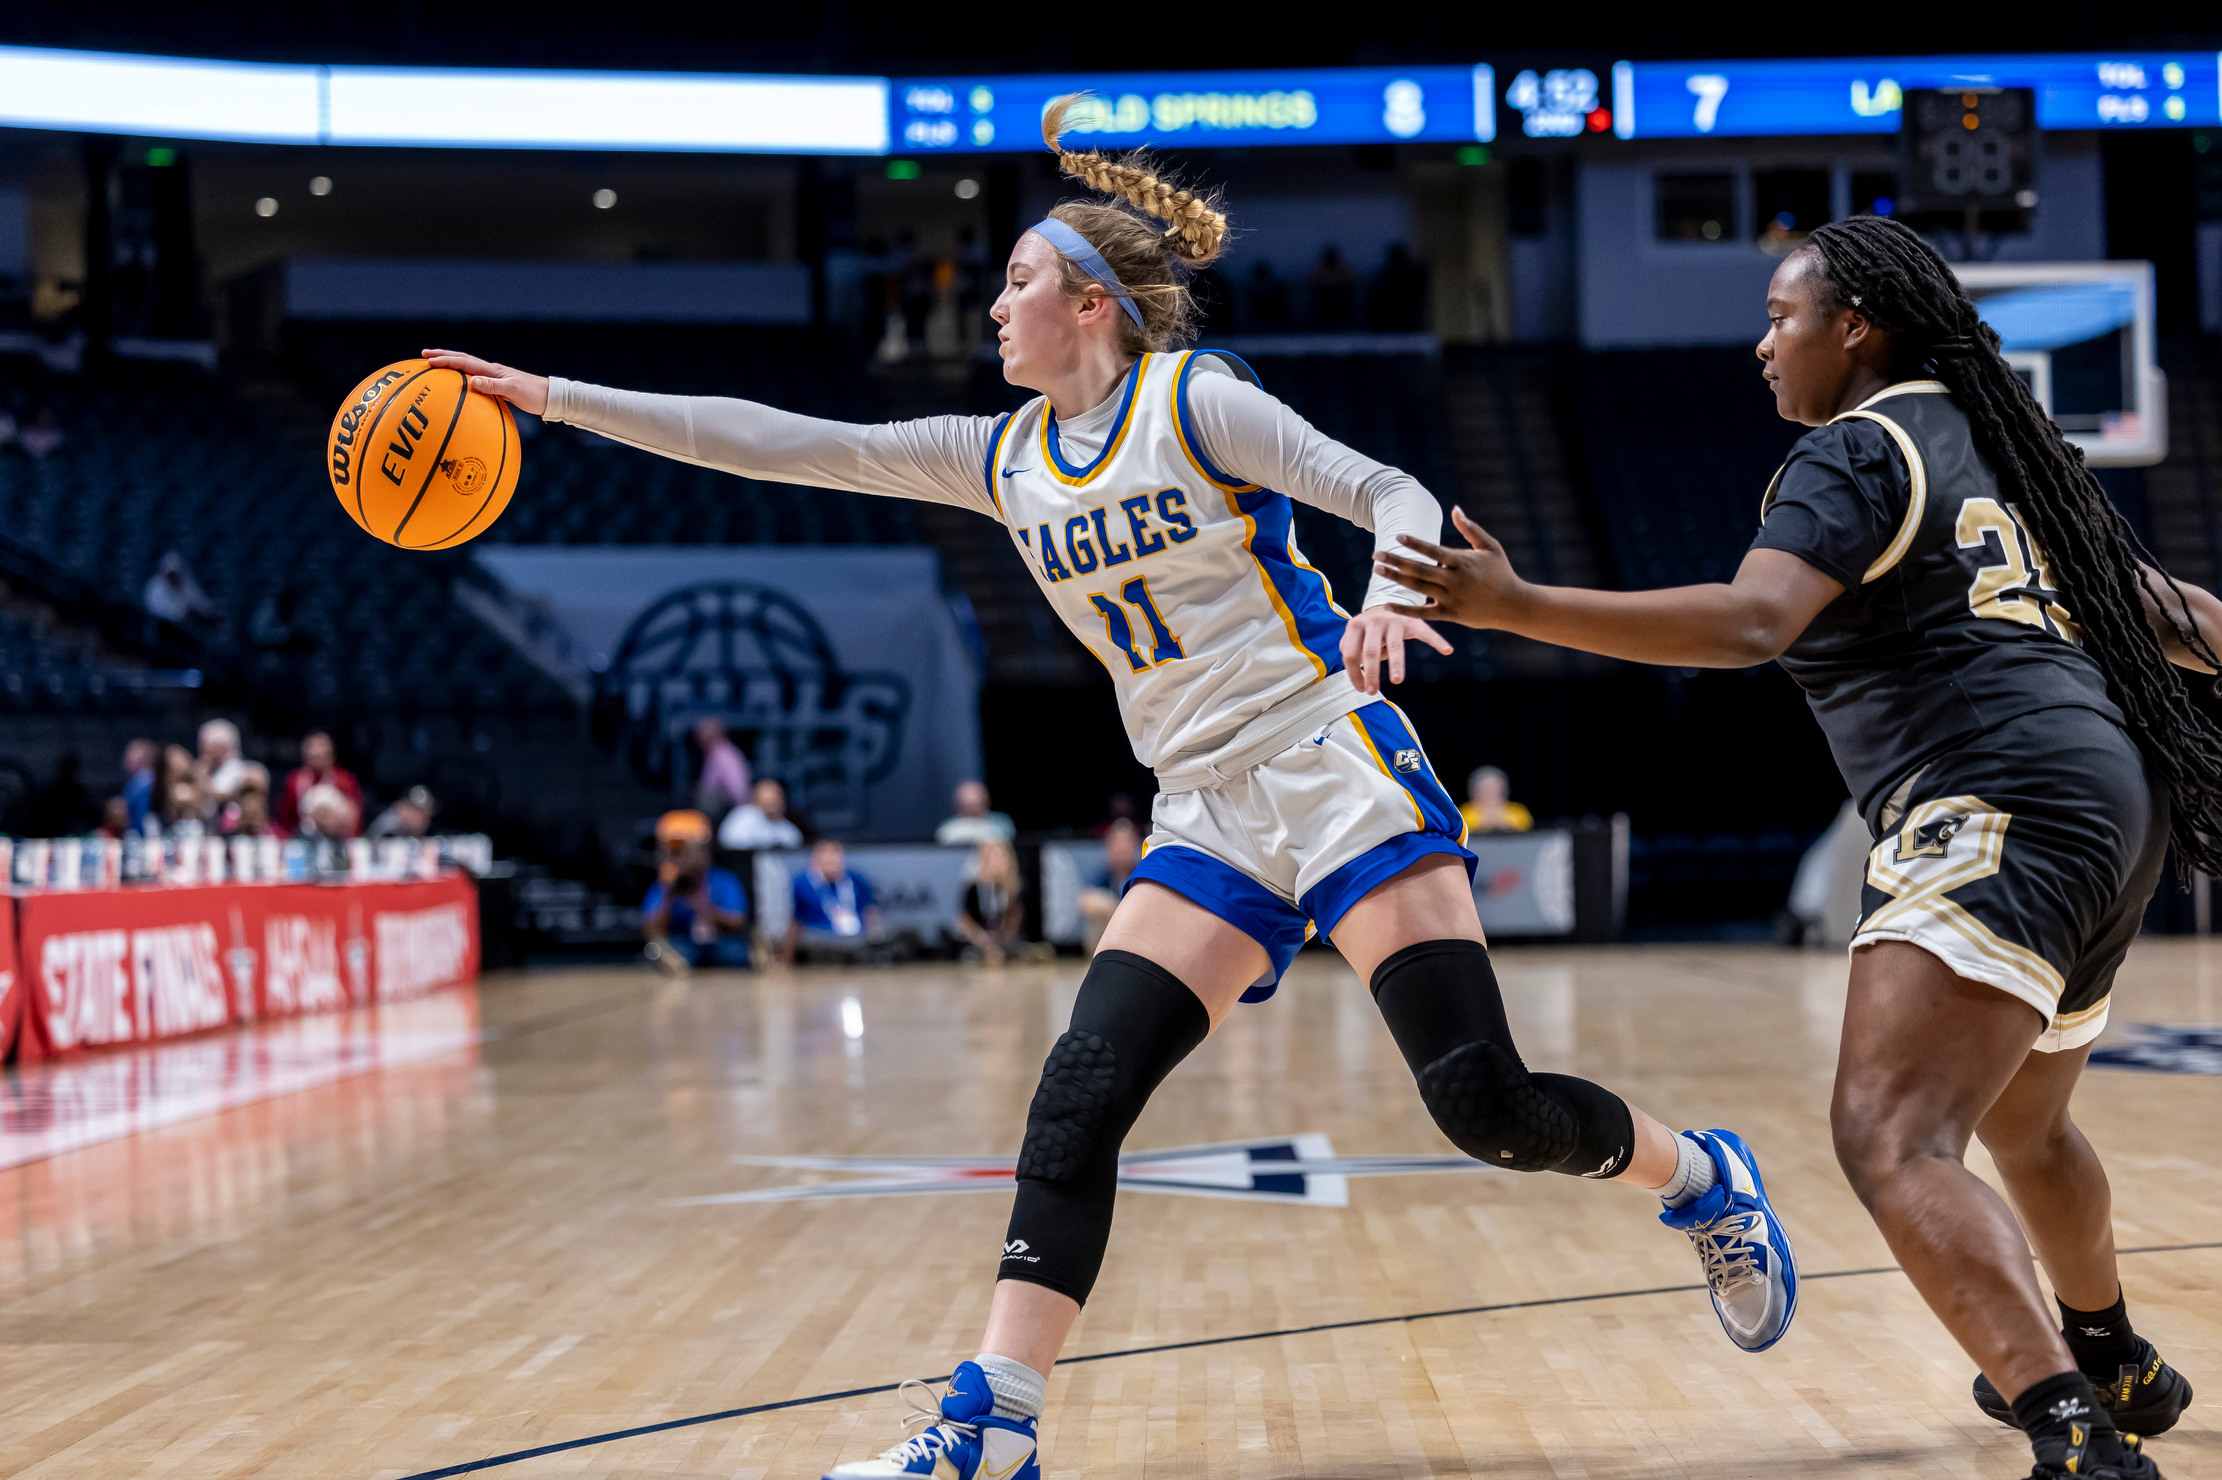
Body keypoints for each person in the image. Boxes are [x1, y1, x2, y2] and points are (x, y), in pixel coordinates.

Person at [422, 96, 1794, 1480]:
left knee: (1481, 1105)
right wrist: (549, 401)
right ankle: (992, 1425)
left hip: (1325, 758)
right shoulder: (1001, 459)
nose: (993, 308)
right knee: (1078, 1093)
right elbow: (774, 437)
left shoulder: (1191, 402)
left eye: (1015, 283)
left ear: (1087, 302)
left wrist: (1385, 595)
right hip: (1201, 810)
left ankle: (1697, 1176)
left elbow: (1384, 489)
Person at [1376, 214, 2211, 1480]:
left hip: (1988, 792)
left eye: (1781, 316)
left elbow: (1753, 621)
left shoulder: (1855, 449)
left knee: (1889, 1135)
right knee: (2025, 1125)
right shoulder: (2013, 448)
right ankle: (2110, 1355)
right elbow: (2169, 613)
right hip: (2112, 800)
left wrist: (1518, 603)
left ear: (1853, 326)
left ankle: (2072, 1433)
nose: (1759, 342)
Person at [642, 810, 751, 973]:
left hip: (718, 944)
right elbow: (651, 931)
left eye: (687, 850)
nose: (682, 857)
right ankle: (674, 962)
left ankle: (755, 955)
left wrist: (704, 908)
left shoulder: (722, 879)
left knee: (737, 952)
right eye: (676, 852)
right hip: (685, 944)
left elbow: (738, 920)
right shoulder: (664, 885)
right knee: (668, 949)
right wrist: (668, 892)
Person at [783, 839, 881, 964]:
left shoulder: (856, 879)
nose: (831, 861)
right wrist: (786, 960)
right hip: (820, 945)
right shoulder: (801, 883)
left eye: (835, 855)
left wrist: (877, 944)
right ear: (815, 859)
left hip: (854, 943)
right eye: (825, 857)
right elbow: (794, 922)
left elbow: (870, 913)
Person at [277, 731, 362, 838]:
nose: (317, 755)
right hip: (301, 841)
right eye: (313, 753)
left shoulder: (345, 781)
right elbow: (285, 820)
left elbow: (355, 820)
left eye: (321, 753)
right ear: (305, 756)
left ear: (331, 754)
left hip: (338, 840)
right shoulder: (294, 781)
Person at [1077, 816, 1140, 954]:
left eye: (1125, 847)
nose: (1121, 852)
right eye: (1117, 846)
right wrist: (1115, 908)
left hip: (1137, 934)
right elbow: (1084, 901)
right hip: (1111, 932)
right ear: (1109, 847)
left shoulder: (1141, 874)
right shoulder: (1102, 874)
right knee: (1096, 915)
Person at [957, 839, 1027, 965]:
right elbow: (965, 921)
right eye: (989, 857)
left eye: (998, 857)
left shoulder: (1016, 889)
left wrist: (1001, 941)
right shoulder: (974, 889)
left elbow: (1017, 921)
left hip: (1009, 945)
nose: (994, 863)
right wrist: (982, 939)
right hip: (980, 946)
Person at [718, 777, 805, 851]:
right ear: (756, 801)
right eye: (767, 802)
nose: (772, 805)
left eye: (775, 800)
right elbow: (731, 845)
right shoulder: (742, 818)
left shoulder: (790, 831)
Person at [693, 717, 751, 820]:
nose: (698, 735)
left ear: (715, 733)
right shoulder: (713, 754)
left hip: (728, 815)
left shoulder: (724, 755)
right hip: (718, 815)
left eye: (702, 731)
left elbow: (738, 792)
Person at [935, 779, 1016, 848]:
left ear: (986, 802)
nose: (973, 810)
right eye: (968, 807)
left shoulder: (1002, 824)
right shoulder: (948, 829)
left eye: (977, 805)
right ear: (959, 806)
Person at [194, 719, 247, 816]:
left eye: (205, 744)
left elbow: (220, 795)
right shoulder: (212, 769)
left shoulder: (234, 768)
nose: (201, 748)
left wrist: (200, 776)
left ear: (223, 746)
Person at [1461, 765, 1533, 833]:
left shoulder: (1519, 811)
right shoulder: (1463, 813)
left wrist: (1502, 823)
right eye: (1485, 790)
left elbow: (1526, 828)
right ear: (1473, 792)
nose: (1491, 794)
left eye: (1495, 789)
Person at [222, 765, 285, 839]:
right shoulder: (226, 828)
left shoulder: (276, 835)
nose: (251, 801)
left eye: (258, 794)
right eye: (246, 793)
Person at [366, 785, 438, 839]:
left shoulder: (423, 831)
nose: (423, 817)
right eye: (417, 811)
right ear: (401, 807)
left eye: (426, 812)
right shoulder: (388, 829)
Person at [120, 738, 157, 835]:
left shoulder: (146, 781)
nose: (127, 756)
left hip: (142, 837)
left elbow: (144, 817)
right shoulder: (135, 782)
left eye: (132, 752)